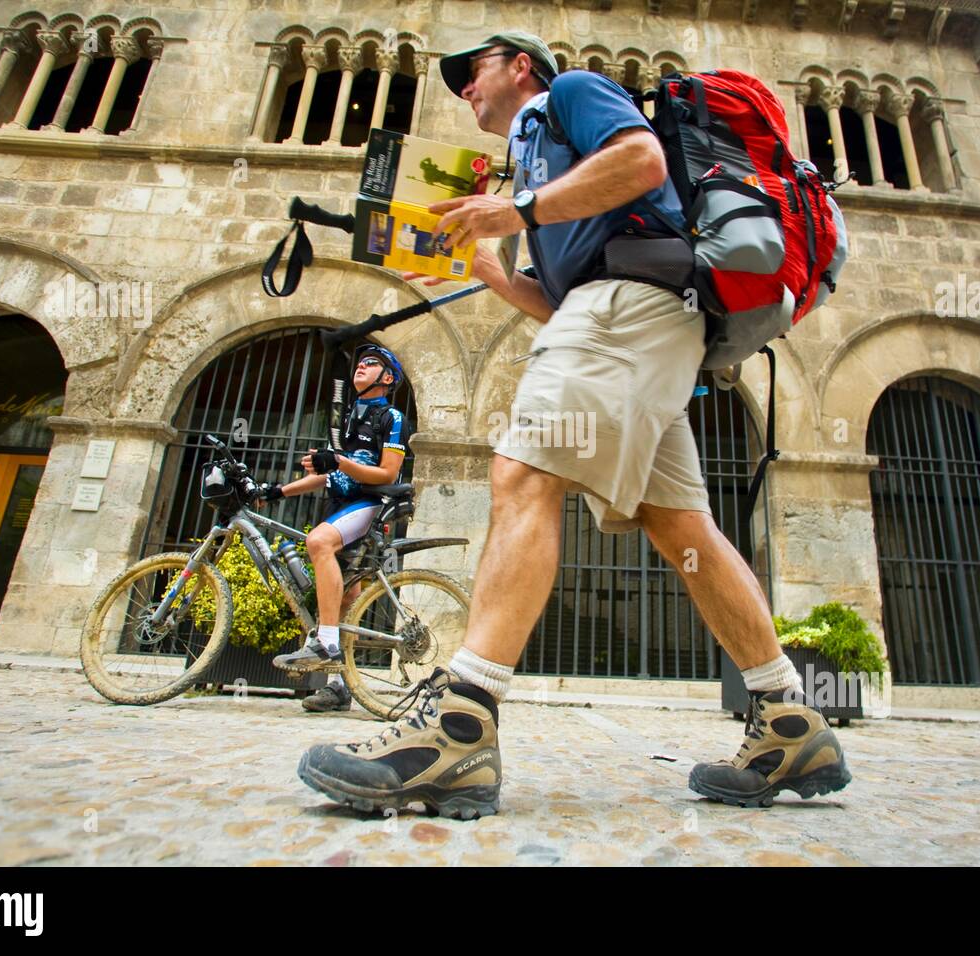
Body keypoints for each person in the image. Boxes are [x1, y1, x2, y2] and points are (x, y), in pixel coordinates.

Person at [295, 32, 851, 816]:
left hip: (629, 309)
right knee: (683, 529)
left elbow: (644, 163)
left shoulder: (571, 95)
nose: (464, 90)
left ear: (521, 66)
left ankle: (458, 728)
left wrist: (516, 207)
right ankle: (790, 721)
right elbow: (558, 299)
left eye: (474, 71)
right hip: (640, 321)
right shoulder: (541, 170)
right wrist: (494, 269)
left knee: (524, 473)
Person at [264, 345, 408, 713]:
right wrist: (278, 490)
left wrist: (340, 459)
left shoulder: (392, 417)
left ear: (387, 378)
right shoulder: (346, 419)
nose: (361, 366)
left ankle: (325, 643)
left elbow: (387, 473)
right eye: (359, 362)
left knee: (318, 542)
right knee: (347, 598)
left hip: (369, 504)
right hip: (338, 505)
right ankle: (339, 686)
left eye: (371, 364)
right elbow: (330, 474)